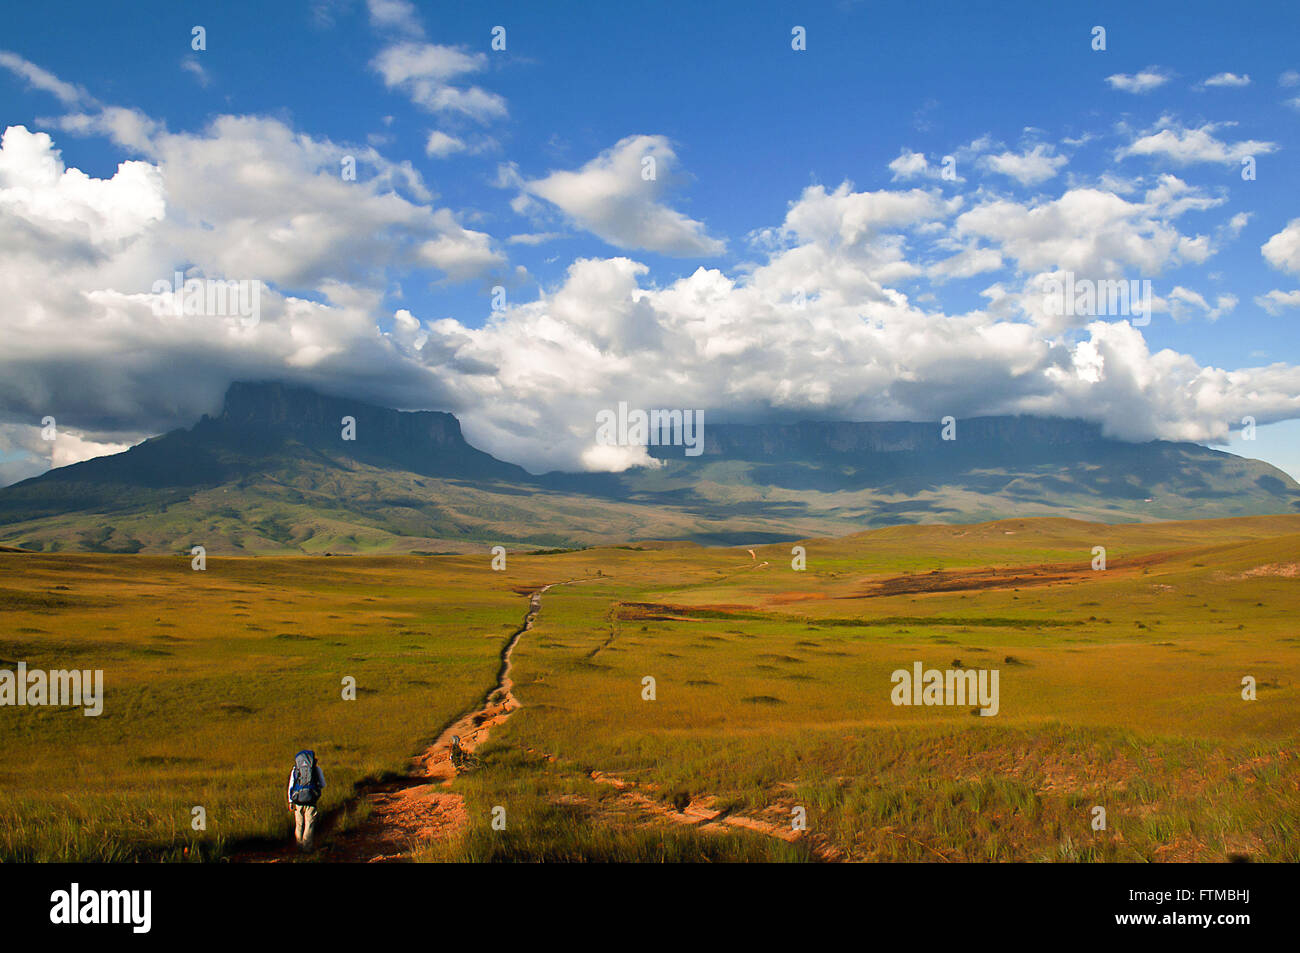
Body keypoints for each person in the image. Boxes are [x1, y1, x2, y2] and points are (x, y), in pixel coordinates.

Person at [286, 749, 325, 851]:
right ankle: (307, 847)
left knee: (299, 824)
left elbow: (291, 786)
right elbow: (323, 784)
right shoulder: (316, 769)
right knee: (309, 824)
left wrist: (290, 801)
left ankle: (298, 846)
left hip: (298, 800)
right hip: (311, 801)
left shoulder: (295, 770)